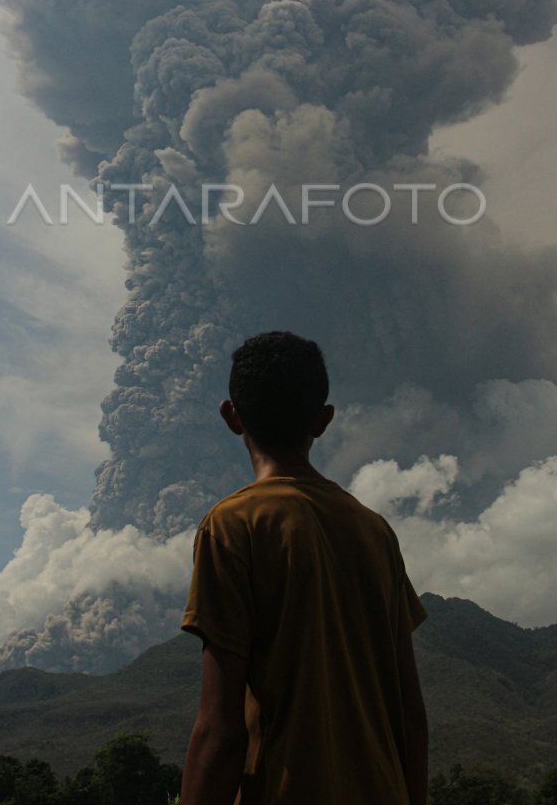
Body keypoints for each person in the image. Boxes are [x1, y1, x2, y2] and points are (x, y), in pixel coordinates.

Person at [180, 330, 428, 805]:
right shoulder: (375, 533)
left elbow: (220, 731)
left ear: (231, 416)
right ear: (323, 420)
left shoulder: (233, 526)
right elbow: (411, 717)